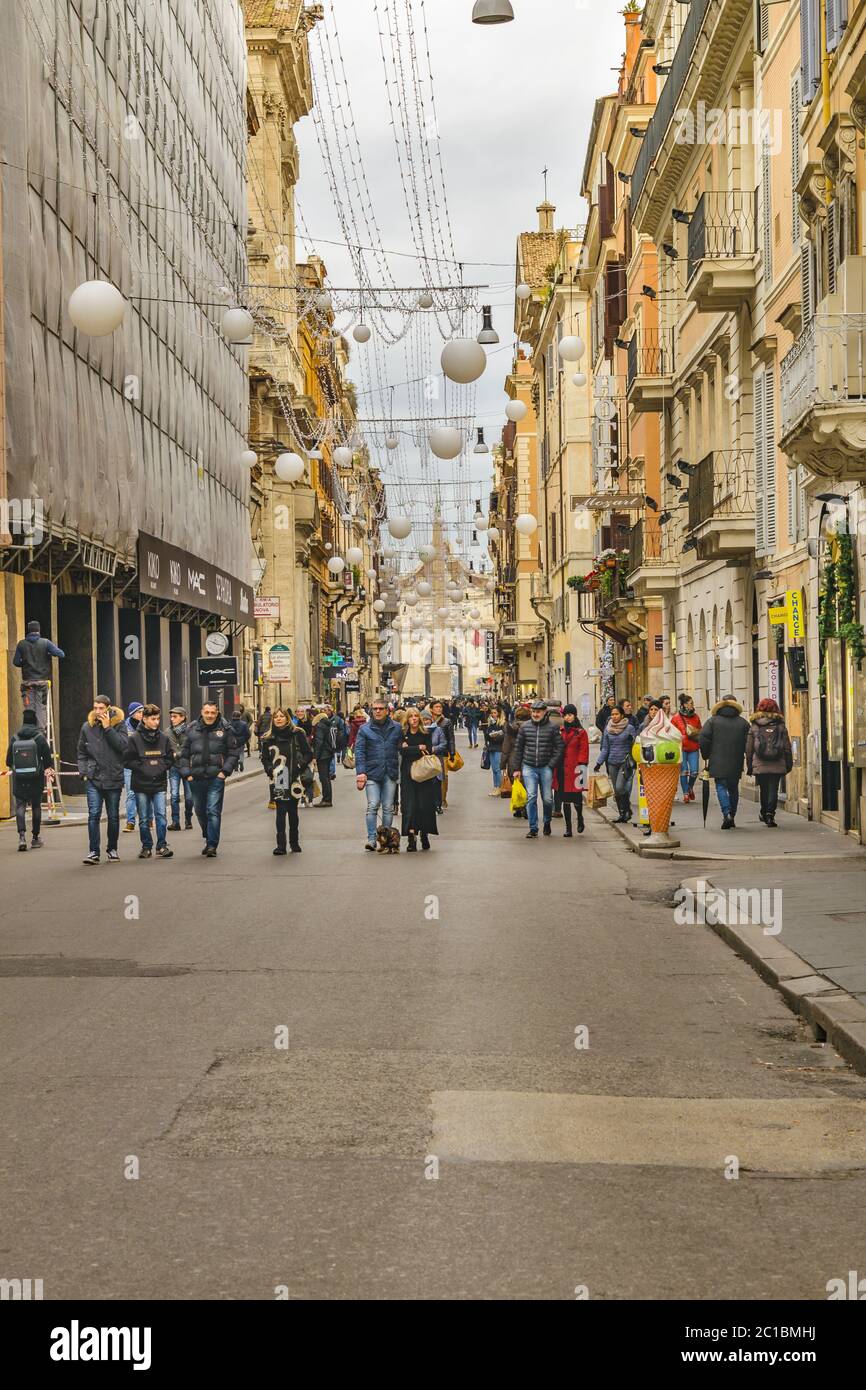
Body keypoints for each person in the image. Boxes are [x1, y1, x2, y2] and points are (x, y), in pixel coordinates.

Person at [178, 701, 239, 856]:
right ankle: (208, 836)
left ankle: (212, 845)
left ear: (217, 712)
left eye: (213, 712)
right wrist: (187, 774)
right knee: (199, 810)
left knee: (212, 810)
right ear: (202, 712)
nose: (210, 715)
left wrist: (224, 772)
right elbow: (184, 754)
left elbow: (233, 753)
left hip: (215, 778)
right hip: (196, 778)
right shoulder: (191, 729)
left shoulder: (226, 730)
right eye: (207, 712)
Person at [77, 695, 128, 865]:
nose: (98, 711)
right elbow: (81, 752)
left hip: (113, 777)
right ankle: (93, 851)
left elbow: (122, 746)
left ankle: (112, 849)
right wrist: (84, 772)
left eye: (101, 708)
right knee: (94, 815)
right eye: (95, 708)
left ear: (108, 708)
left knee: (113, 816)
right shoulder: (87, 727)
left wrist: (108, 728)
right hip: (93, 778)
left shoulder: (119, 724)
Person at [124, 704, 175, 859]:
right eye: (153, 719)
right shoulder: (134, 738)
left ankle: (162, 845)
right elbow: (127, 760)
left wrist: (160, 767)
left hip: (159, 782)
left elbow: (169, 758)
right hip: (140, 783)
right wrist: (144, 768)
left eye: (158, 718)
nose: (156, 722)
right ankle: (146, 846)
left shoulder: (164, 738)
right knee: (144, 817)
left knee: (161, 815)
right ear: (144, 719)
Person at [260, 708, 312, 854]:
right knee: (280, 811)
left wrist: (299, 766)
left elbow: (308, 753)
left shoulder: (297, 733)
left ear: (287, 718)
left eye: (281, 716)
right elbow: (264, 758)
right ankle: (281, 845)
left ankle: (294, 843)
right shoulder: (268, 737)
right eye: (276, 717)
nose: (278, 719)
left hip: (295, 776)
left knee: (293, 812)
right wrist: (270, 769)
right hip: (279, 777)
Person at [355, 697, 402, 851]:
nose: (377, 711)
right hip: (371, 772)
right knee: (373, 805)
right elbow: (360, 751)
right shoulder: (365, 729)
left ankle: (386, 840)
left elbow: (402, 747)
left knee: (388, 807)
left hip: (390, 771)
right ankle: (372, 839)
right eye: (375, 709)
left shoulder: (396, 727)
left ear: (387, 711)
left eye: (380, 708)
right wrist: (361, 772)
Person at [698, 695, 750, 830]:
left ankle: (726, 813)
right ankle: (732, 815)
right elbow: (749, 744)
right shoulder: (743, 723)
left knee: (721, 786)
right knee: (733, 788)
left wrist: (706, 755)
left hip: (717, 760)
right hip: (736, 760)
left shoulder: (712, 721)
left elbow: (703, 738)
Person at [514, 698, 563, 838]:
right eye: (533, 712)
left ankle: (547, 821)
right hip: (529, 766)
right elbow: (518, 748)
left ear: (544, 712)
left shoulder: (553, 728)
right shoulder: (525, 727)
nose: (535, 714)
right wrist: (516, 768)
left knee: (547, 799)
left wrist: (552, 764)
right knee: (531, 797)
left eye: (538, 712)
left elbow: (559, 747)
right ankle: (533, 827)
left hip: (546, 767)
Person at [5, 708, 52, 850]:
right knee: (36, 806)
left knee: (20, 806)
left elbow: (8, 761)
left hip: (19, 778)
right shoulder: (39, 738)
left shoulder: (15, 738)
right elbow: (48, 759)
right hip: (36, 778)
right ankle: (35, 837)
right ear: (35, 721)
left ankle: (21, 837)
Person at [746, 698, 793, 829]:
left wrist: (749, 765)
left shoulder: (754, 726)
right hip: (777, 762)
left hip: (760, 763)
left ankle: (763, 811)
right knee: (773, 788)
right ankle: (770, 814)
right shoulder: (780, 726)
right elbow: (787, 747)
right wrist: (788, 764)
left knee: (764, 789)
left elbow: (749, 748)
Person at [400, 707, 441, 851]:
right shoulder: (402, 734)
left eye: (416, 716)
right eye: (411, 716)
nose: (414, 719)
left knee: (424, 806)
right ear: (407, 719)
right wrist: (417, 747)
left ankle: (424, 834)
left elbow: (428, 750)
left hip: (424, 774)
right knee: (409, 806)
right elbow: (401, 750)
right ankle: (411, 838)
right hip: (407, 774)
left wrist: (410, 748)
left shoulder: (426, 733)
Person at [12, 619, 64, 731]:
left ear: (28, 631)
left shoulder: (21, 644)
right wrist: (48, 653)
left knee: (29, 707)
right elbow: (61, 654)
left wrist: (25, 663)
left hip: (27, 683)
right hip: (42, 682)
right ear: (38, 631)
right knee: (40, 706)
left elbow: (16, 662)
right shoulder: (45, 643)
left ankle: (29, 730)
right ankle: (40, 732)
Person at [593, 704, 635, 823]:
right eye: (612, 714)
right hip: (611, 762)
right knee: (617, 791)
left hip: (624, 762)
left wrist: (634, 758)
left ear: (622, 715)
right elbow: (605, 748)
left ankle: (627, 809)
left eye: (616, 714)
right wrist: (598, 762)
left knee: (620, 787)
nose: (614, 716)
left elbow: (635, 745)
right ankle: (623, 813)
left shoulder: (629, 728)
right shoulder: (607, 729)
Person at [556, 704, 589, 836]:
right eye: (566, 715)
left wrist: (582, 766)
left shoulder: (581, 732)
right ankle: (568, 828)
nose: (568, 717)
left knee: (577, 798)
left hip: (577, 769)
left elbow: (584, 750)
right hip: (563, 769)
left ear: (575, 715)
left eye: (570, 715)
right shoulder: (561, 731)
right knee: (565, 799)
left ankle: (580, 818)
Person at [167, 707, 194, 831]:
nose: (172, 719)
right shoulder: (168, 731)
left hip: (188, 767)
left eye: (175, 716)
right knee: (174, 796)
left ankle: (188, 819)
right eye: (171, 717)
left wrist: (177, 754)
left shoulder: (190, 731)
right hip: (174, 767)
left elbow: (188, 749)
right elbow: (170, 748)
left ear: (183, 717)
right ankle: (175, 822)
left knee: (189, 797)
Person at [502, 704, 530, 818]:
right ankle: (527, 808)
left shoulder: (511, 729)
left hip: (513, 760)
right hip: (528, 759)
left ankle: (518, 808)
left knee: (516, 785)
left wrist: (503, 764)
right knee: (528, 786)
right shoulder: (531, 728)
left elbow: (506, 747)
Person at [672, 694, 702, 802]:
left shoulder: (696, 717)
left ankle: (690, 787)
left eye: (692, 703)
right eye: (690, 703)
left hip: (693, 747)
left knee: (694, 772)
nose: (692, 705)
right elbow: (672, 733)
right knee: (684, 771)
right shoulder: (676, 718)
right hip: (681, 748)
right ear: (684, 705)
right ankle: (685, 794)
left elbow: (700, 730)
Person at [122, 701, 144, 833]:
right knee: (131, 793)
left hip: (144, 764)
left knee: (146, 792)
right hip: (129, 764)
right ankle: (130, 821)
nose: (141, 714)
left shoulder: (146, 725)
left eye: (142, 712)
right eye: (139, 712)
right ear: (132, 714)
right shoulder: (124, 727)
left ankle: (147, 818)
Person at [430, 699, 455, 811]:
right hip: (430, 753)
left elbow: (451, 738)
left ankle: (442, 799)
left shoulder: (446, 722)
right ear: (431, 709)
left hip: (443, 753)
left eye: (440, 707)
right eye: (436, 707)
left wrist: (452, 752)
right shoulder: (428, 720)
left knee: (443, 778)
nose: (439, 709)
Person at [311, 707, 337, 807]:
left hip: (323, 754)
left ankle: (326, 799)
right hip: (328, 753)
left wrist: (315, 757)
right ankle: (327, 798)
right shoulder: (326, 724)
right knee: (325, 777)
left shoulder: (320, 726)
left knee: (324, 777)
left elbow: (319, 742)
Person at [482, 704, 507, 795]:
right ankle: (495, 787)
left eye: (495, 713)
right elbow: (487, 736)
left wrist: (494, 736)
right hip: (491, 748)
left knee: (497, 769)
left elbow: (504, 737)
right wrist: (490, 734)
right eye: (491, 713)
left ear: (499, 714)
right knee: (493, 770)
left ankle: (500, 788)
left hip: (499, 749)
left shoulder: (503, 724)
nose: (492, 714)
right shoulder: (491, 723)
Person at [229, 707, 251, 772]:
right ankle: (241, 761)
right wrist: (245, 739)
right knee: (241, 752)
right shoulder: (244, 724)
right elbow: (248, 733)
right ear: (240, 716)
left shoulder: (230, 724)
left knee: (235, 754)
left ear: (232, 716)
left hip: (233, 741)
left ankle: (235, 767)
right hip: (241, 741)